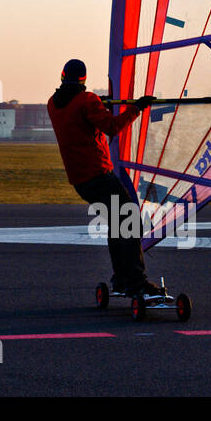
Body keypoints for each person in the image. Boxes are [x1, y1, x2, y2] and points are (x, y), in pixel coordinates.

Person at [46, 59, 158, 297]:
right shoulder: (87, 101)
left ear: (62, 76)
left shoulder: (52, 104)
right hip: (99, 176)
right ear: (84, 80)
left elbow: (79, 111)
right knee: (130, 220)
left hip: (81, 182)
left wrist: (99, 103)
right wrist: (137, 107)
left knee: (117, 223)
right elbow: (112, 127)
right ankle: (136, 281)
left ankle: (121, 279)